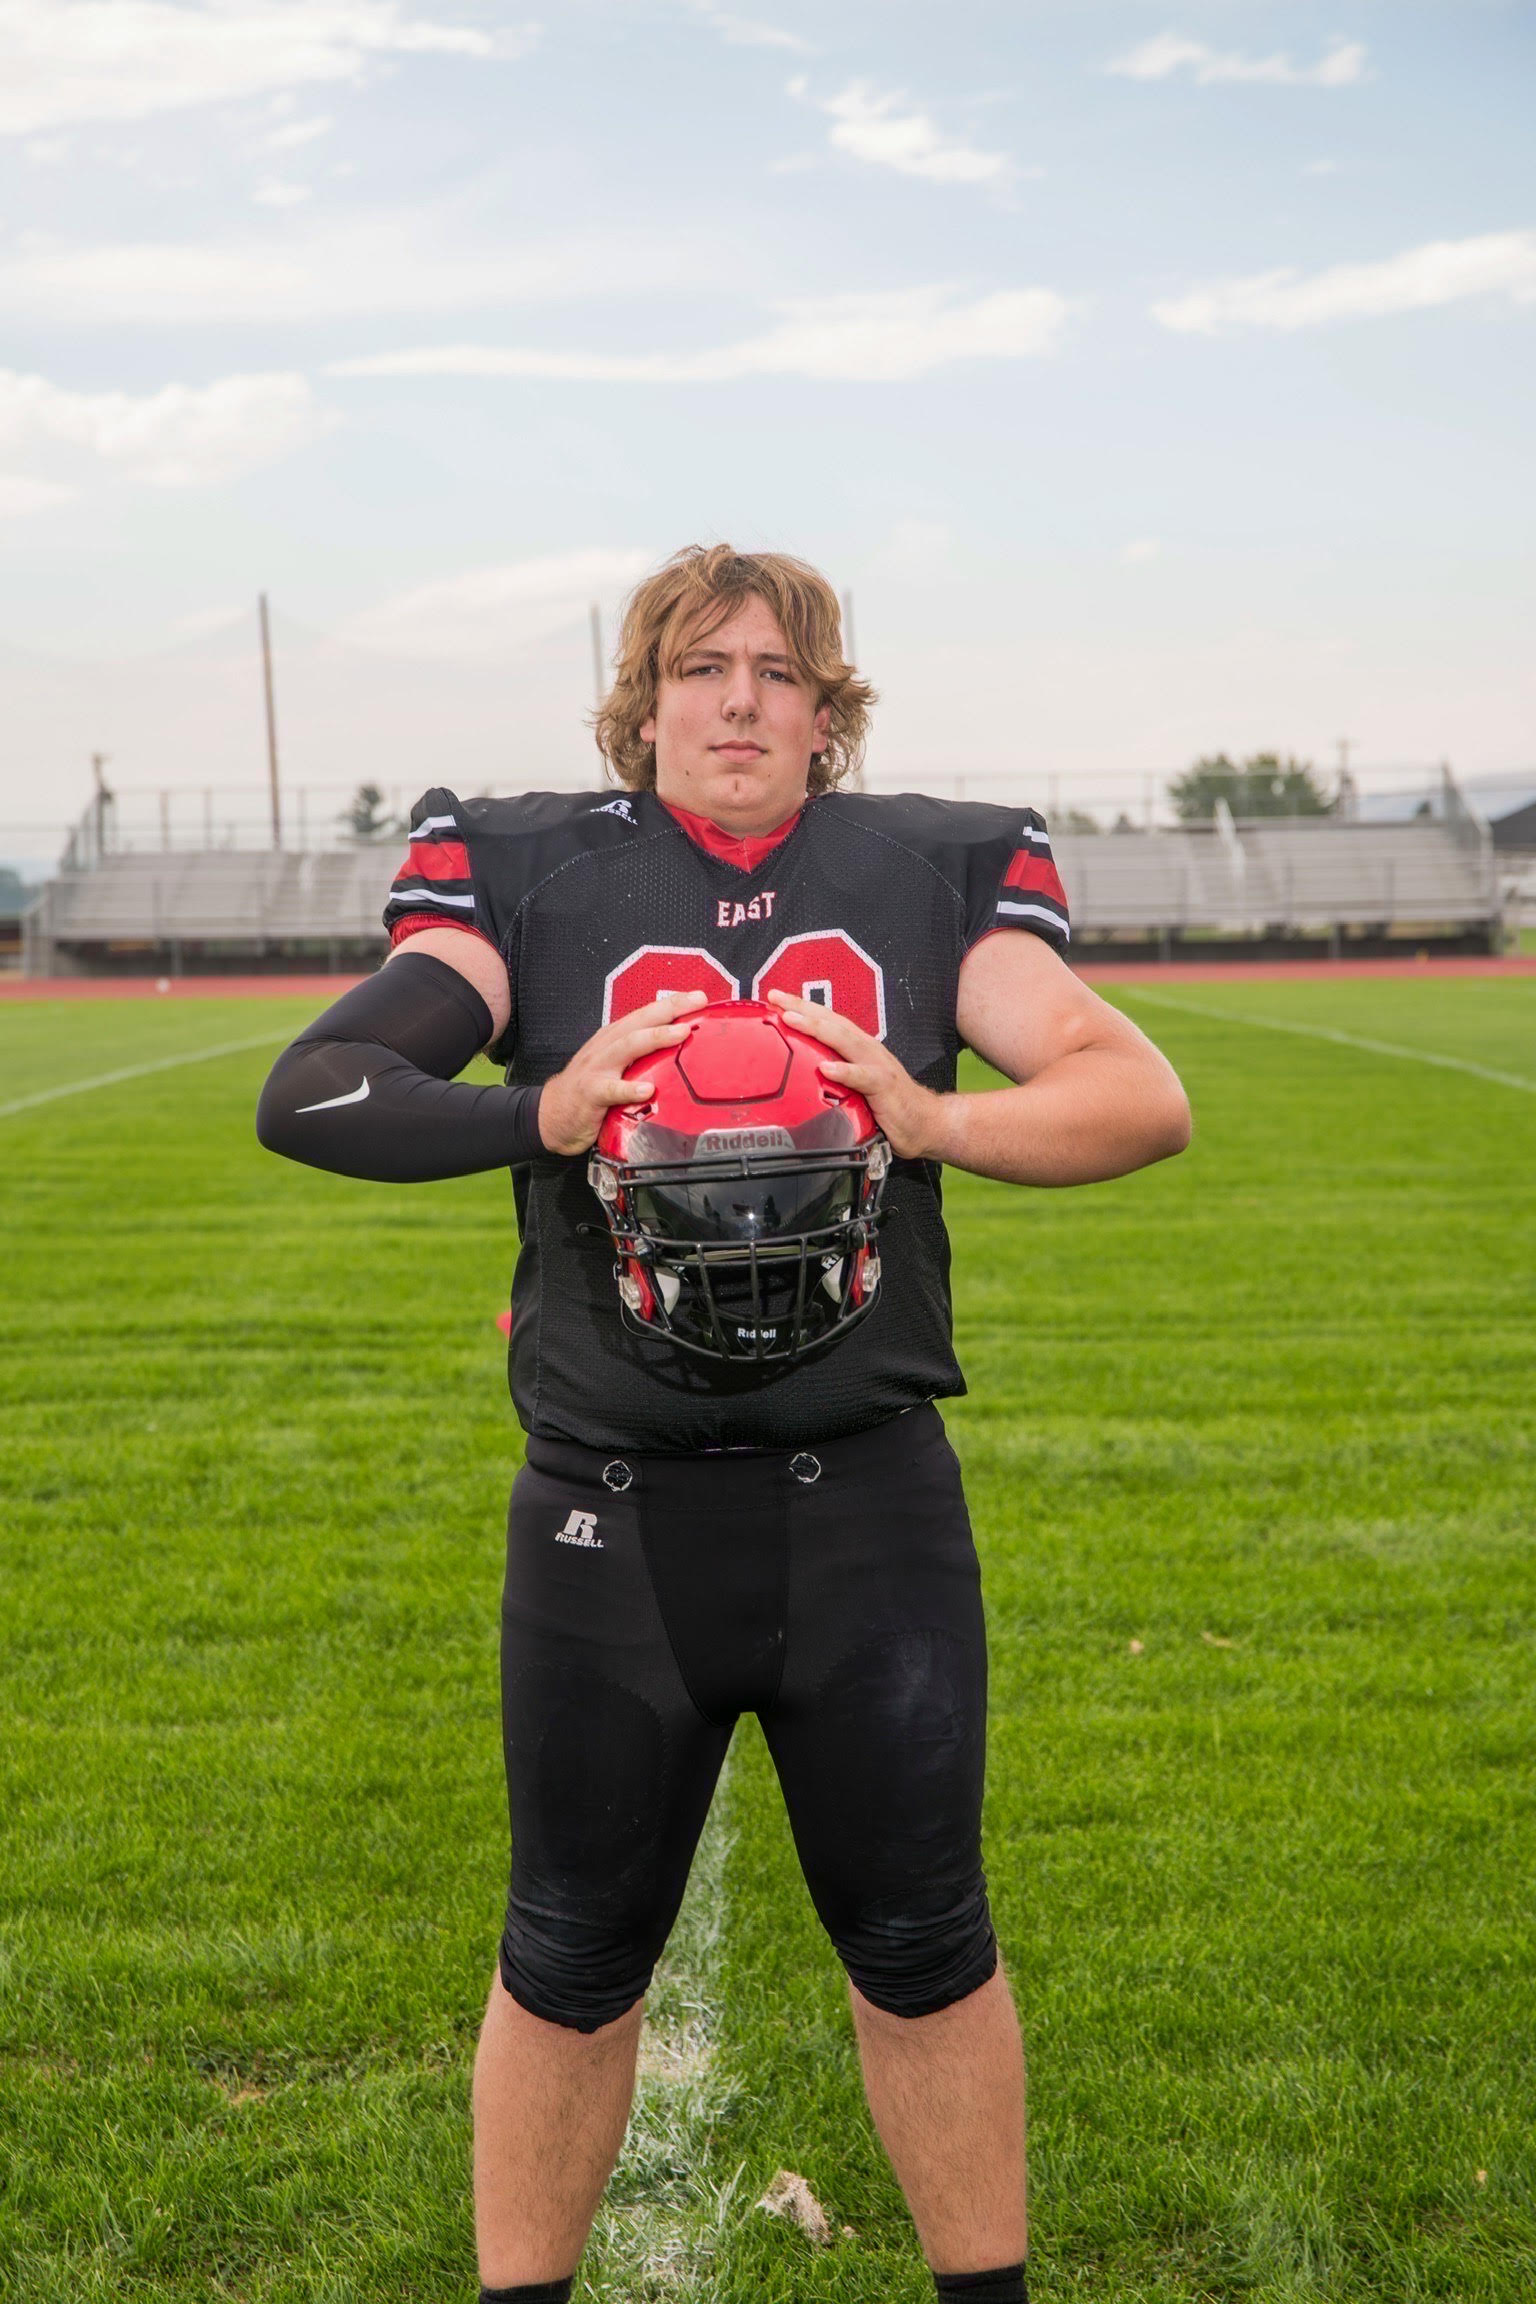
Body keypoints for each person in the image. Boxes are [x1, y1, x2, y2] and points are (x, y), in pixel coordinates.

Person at [257, 544, 1190, 2304]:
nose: (740, 701)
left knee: (927, 1948)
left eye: (777, 672)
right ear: (644, 705)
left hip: (870, 1510)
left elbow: (1136, 1096)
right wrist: (544, 1111)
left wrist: (934, 1119)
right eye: (701, 668)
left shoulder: (930, 873)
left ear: (829, 714)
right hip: (609, 1516)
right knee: (566, 1959)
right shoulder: (525, 874)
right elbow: (315, 1091)